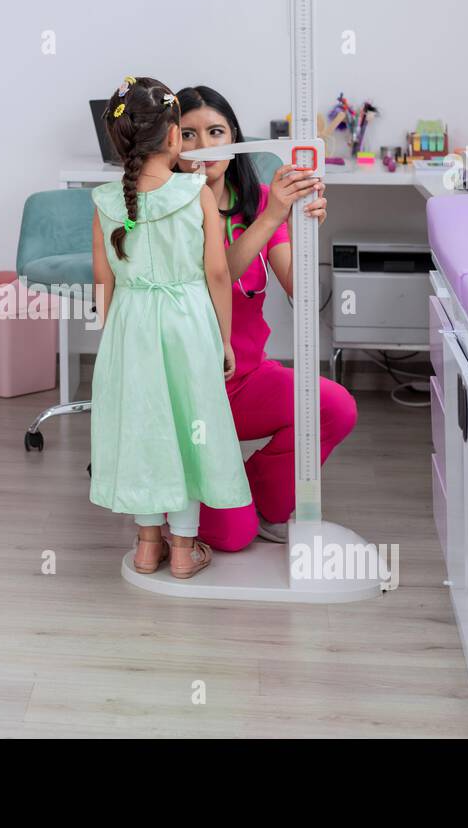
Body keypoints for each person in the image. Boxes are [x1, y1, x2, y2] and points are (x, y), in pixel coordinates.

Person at [176, 85, 357, 551]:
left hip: (246, 381)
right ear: (171, 142)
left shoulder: (254, 199)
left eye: (216, 132)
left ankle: (254, 496)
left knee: (334, 407)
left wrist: (301, 226)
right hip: (191, 393)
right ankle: (185, 500)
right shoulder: (167, 207)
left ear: (234, 137)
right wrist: (274, 214)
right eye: (190, 135)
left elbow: (302, 291)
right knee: (229, 541)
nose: (205, 147)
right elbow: (215, 273)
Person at [88, 76, 251, 579]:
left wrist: (110, 339)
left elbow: (102, 279)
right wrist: (224, 338)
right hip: (187, 322)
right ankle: (183, 551)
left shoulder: (104, 200)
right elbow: (218, 273)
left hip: (130, 324)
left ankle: (145, 545)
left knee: (146, 429)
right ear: (175, 136)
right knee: (190, 427)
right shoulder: (194, 191)